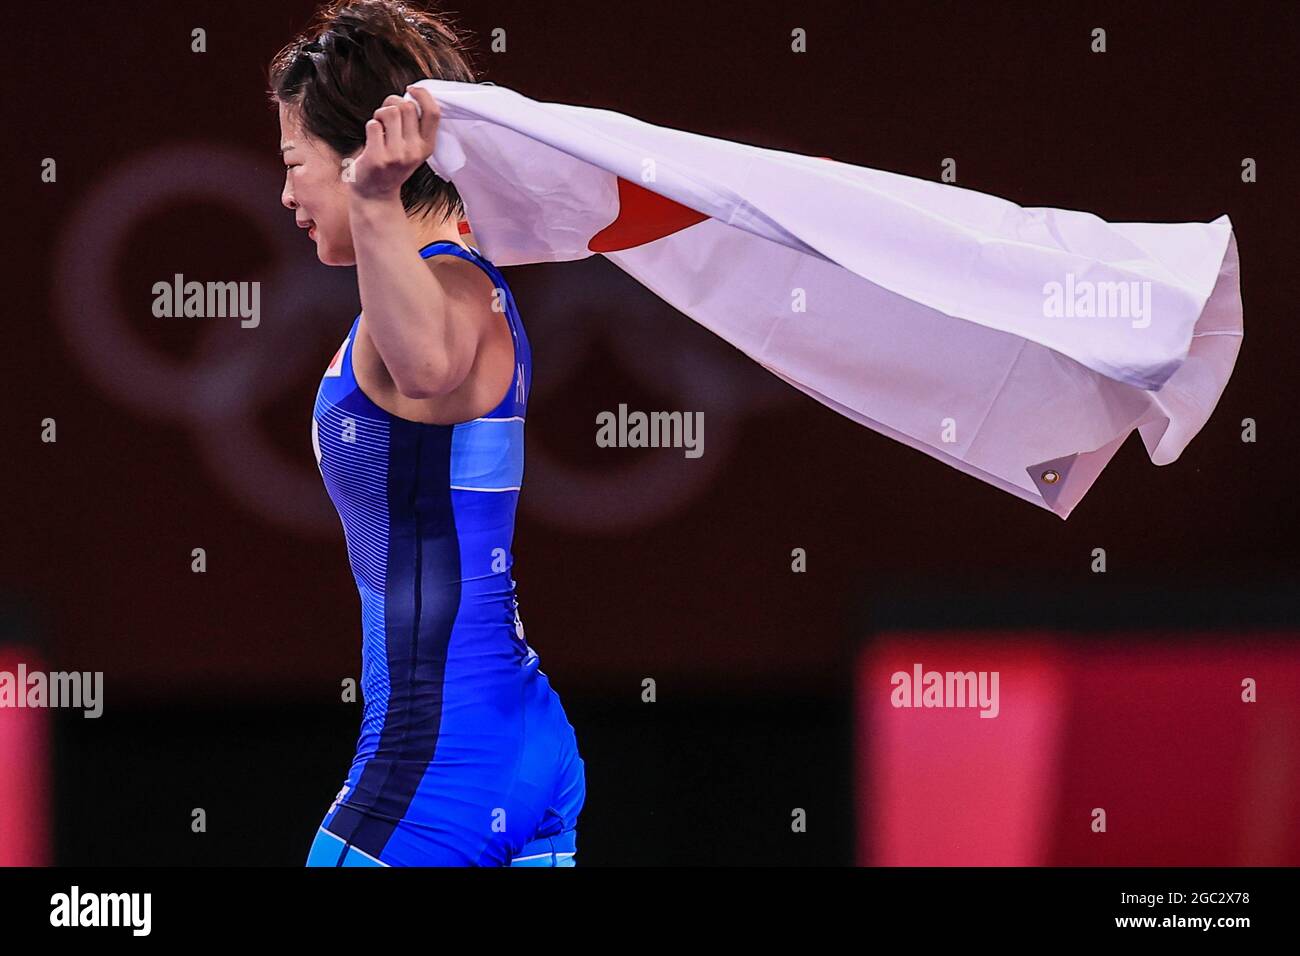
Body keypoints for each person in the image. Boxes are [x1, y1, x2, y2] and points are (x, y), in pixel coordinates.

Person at [269, 0, 585, 866]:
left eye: (296, 161)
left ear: (364, 152)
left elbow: (429, 371)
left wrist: (373, 201)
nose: (287, 190)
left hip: (440, 768)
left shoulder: (448, 294)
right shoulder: (465, 281)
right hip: (514, 745)